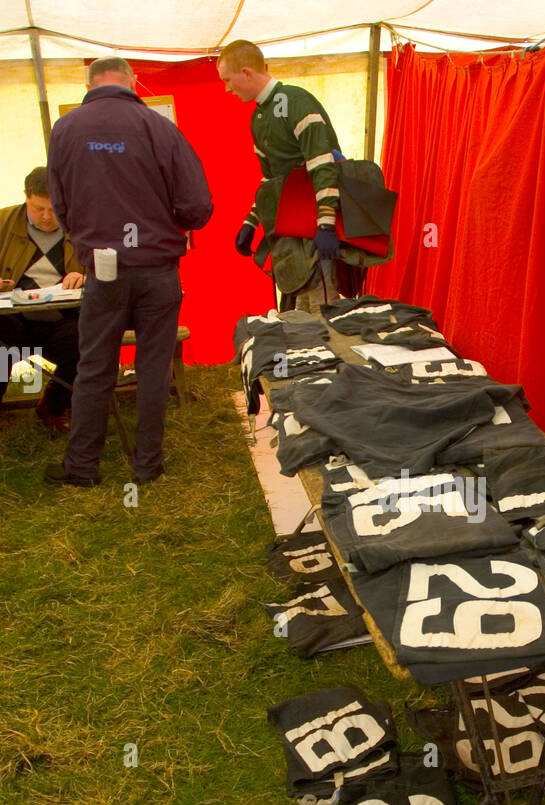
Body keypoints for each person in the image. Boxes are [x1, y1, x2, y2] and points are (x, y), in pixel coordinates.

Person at [44, 56, 212, 486]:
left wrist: (87, 237)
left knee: (94, 367)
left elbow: (60, 206)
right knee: (154, 368)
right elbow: (197, 207)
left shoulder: (64, 130)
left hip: (103, 270)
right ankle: (147, 465)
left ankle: (82, 467)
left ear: (90, 83)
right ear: (131, 80)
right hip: (157, 269)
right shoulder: (159, 126)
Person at [217, 39, 342, 315]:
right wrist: (251, 222)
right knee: (299, 309)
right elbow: (271, 182)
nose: (227, 88)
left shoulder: (297, 102)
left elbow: (323, 164)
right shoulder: (258, 118)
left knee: (323, 310)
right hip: (290, 227)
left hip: (315, 223)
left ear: (247, 73)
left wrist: (326, 224)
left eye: (228, 80)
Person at [0, 167, 85, 430]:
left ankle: (53, 405)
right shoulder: (3, 221)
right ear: (26, 198)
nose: (48, 217)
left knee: (88, 341)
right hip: (11, 320)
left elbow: (106, 265)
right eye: (39, 209)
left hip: (61, 320)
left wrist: (83, 274)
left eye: (54, 209)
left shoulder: (81, 225)